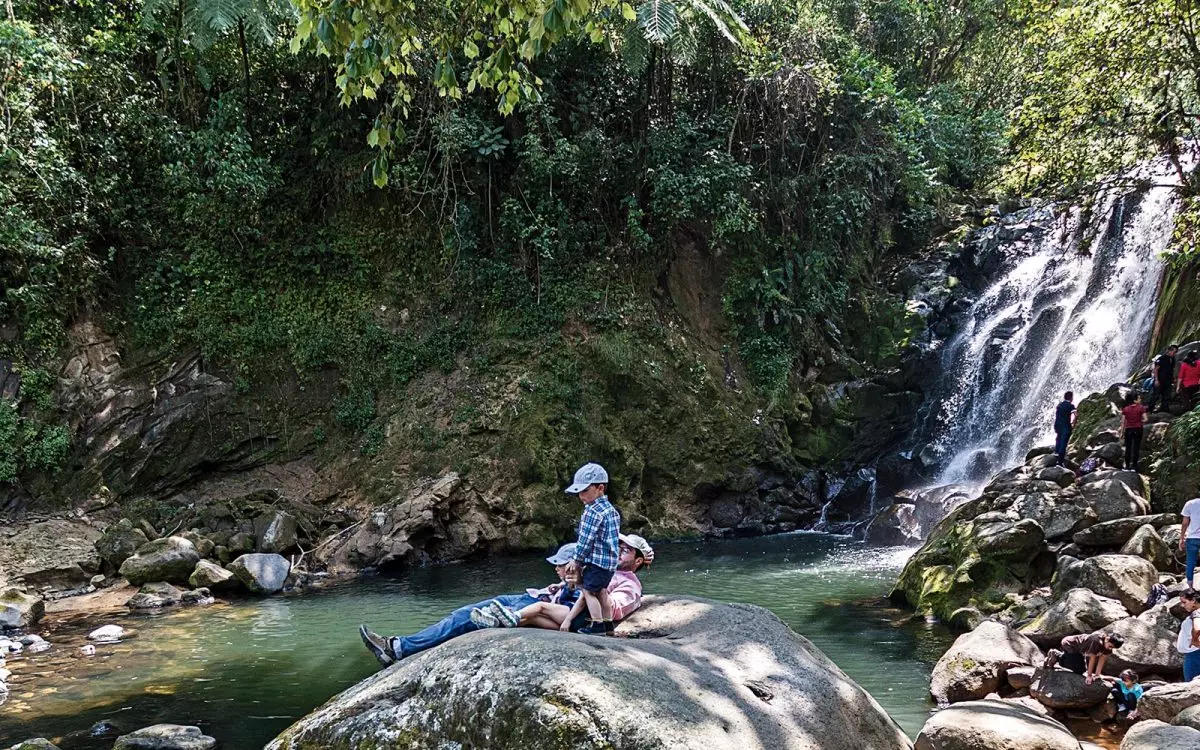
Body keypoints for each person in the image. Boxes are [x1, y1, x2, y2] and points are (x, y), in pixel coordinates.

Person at [357, 548, 568, 667]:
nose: (556, 568)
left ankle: (396, 648)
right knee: (462, 614)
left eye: (561, 564)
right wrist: (561, 585)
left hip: (528, 607)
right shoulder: (571, 583)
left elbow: (569, 615)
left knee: (464, 619)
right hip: (522, 598)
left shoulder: (586, 591)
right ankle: (398, 647)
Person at [475, 534, 654, 633]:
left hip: (573, 613)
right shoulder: (606, 569)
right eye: (619, 547)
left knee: (536, 609)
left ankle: (508, 616)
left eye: (626, 550)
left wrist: (589, 584)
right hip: (557, 602)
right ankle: (499, 622)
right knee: (533, 618)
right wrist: (564, 585)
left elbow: (613, 607)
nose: (619, 551)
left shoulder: (629, 584)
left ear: (638, 561)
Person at [564, 462, 621, 636]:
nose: (581, 496)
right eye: (579, 492)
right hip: (610, 563)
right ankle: (608, 626)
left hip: (597, 561)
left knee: (589, 591)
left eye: (585, 491)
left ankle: (597, 626)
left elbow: (585, 539)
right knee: (602, 591)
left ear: (600, 488)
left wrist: (576, 559)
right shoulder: (611, 510)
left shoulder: (592, 512)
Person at [1043, 630, 1125, 684]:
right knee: (1079, 670)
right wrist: (1089, 675)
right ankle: (1056, 655)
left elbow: (1102, 659)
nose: (1110, 648)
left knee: (1082, 668)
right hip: (1070, 644)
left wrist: (1097, 675)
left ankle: (1060, 656)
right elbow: (1092, 659)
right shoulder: (1097, 642)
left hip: (1080, 651)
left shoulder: (1107, 647)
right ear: (1107, 639)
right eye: (1110, 646)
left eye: (1112, 648)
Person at [1121, 392, 1148, 472]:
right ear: (1135, 400)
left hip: (1128, 430)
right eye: (1139, 398)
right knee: (1136, 448)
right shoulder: (1141, 408)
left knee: (1128, 448)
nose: (1140, 399)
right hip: (1138, 429)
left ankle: (1127, 466)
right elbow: (1146, 419)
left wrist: (1121, 433)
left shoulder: (1125, 409)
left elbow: (1123, 422)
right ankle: (1134, 467)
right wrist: (1140, 421)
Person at [1177, 589, 1200, 682]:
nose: (1182, 605)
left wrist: (1194, 640)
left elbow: (1197, 628)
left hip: (1194, 655)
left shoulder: (1196, 613)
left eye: (1184, 602)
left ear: (1193, 600)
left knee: (1191, 688)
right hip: (1194, 654)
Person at [1148, 344, 1178, 412]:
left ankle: (1164, 409)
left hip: (1168, 381)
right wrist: (1156, 380)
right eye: (1174, 352)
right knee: (1155, 395)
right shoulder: (1161, 358)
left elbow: (1172, 369)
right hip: (1160, 380)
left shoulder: (1173, 359)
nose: (1174, 354)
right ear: (1169, 351)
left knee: (1166, 396)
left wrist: (1173, 378)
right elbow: (1156, 369)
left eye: (1176, 352)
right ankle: (1150, 409)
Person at [1053, 391, 1077, 466]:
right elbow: (1076, 415)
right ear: (1071, 398)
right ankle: (1060, 462)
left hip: (1057, 425)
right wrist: (1074, 423)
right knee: (1064, 442)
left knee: (1058, 439)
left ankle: (1056, 453)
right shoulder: (1070, 406)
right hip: (1065, 426)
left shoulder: (1059, 405)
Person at [1181, 496, 1200, 590]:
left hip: (1192, 538)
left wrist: (1181, 539)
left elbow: (1185, 523)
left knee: (1190, 563)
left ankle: (1190, 588)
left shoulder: (1190, 504)